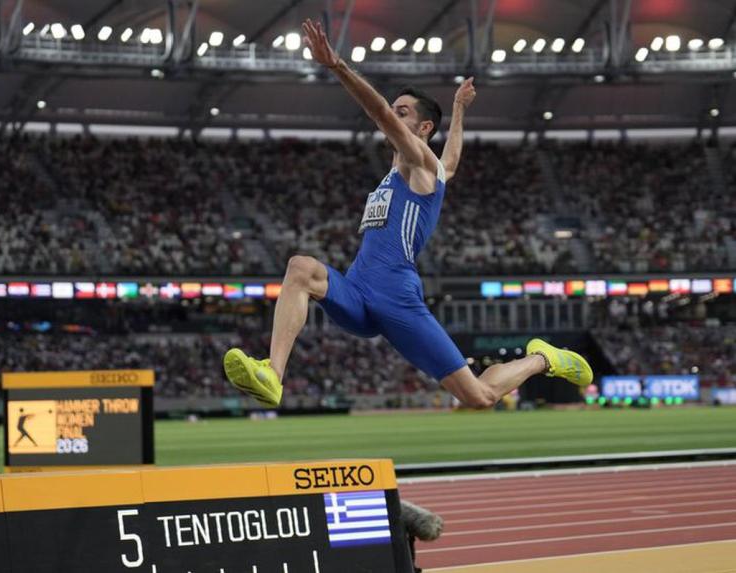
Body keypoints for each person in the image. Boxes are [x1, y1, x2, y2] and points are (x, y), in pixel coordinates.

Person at [223, 19, 592, 408]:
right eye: (396, 111)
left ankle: (542, 358)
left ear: (422, 128)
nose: (393, 117)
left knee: (479, 396)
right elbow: (450, 163)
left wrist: (337, 66)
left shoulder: (419, 164)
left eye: (403, 113)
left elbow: (380, 113)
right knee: (301, 267)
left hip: (396, 297)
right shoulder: (418, 171)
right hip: (359, 292)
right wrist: (459, 109)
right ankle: (272, 376)